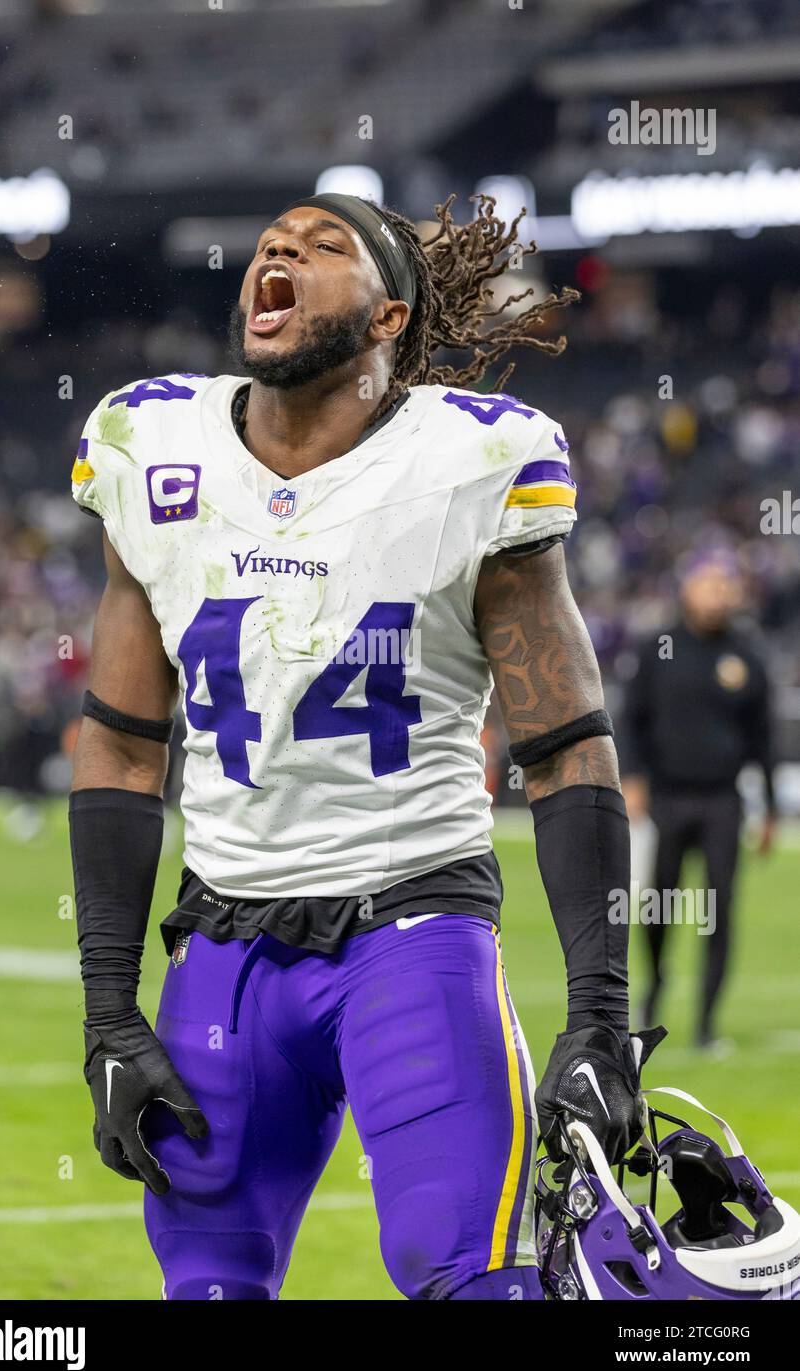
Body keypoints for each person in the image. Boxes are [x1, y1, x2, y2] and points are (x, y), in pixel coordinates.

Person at [68, 192, 656, 1301]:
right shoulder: (153, 445)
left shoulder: (474, 459)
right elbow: (120, 744)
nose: (279, 248)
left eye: (324, 244)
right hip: (223, 951)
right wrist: (107, 1007)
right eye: (269, 240)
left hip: (412, 934)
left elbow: (566, 745)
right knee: (202, 1283)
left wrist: (599, 1016)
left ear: (388, 320)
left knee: (465, 1273)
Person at [622, 549, 777, 1050]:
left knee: (720, 907)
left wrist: (769, 806)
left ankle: (707, 1024)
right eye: (707, 582)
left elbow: (764, 737)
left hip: (722, 802)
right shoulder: (657, 646)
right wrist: (634, 777)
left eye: (725, 583)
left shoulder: (747, 655)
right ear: (687, 587)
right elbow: (631, 718)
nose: (717, 592)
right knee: (657, 905)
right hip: (666, 796)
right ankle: (655, 986)